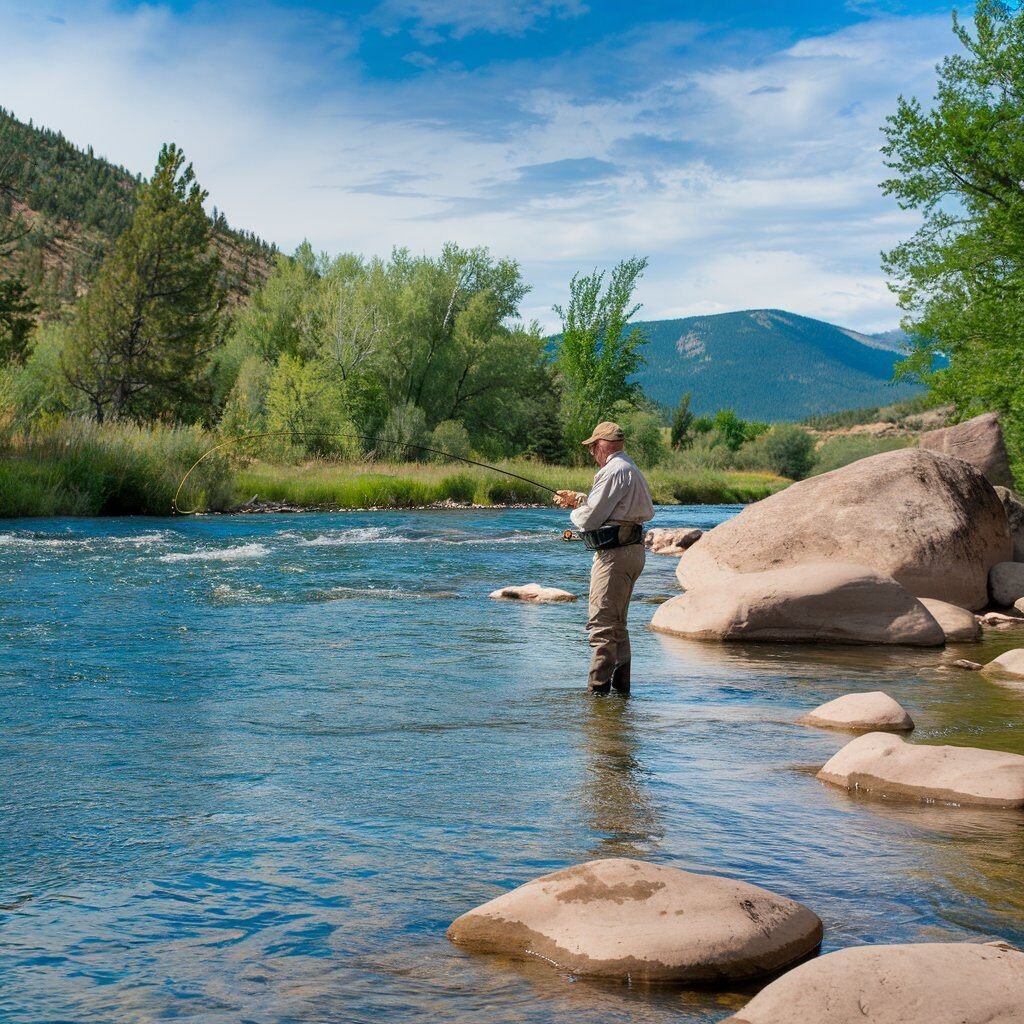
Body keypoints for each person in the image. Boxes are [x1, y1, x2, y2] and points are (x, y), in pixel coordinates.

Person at [554, 422, 654, 695]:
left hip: (615, 555)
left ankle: (597, 697)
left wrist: (574, 511)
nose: (591, 454)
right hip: (633, 551)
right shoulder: (629, 467)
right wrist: (580, 498)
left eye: (592, 448)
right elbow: (614, 507)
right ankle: (621, 695)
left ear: (601, 445)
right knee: (617, 625)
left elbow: (590, 519)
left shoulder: (612, 471)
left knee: (601, 626)